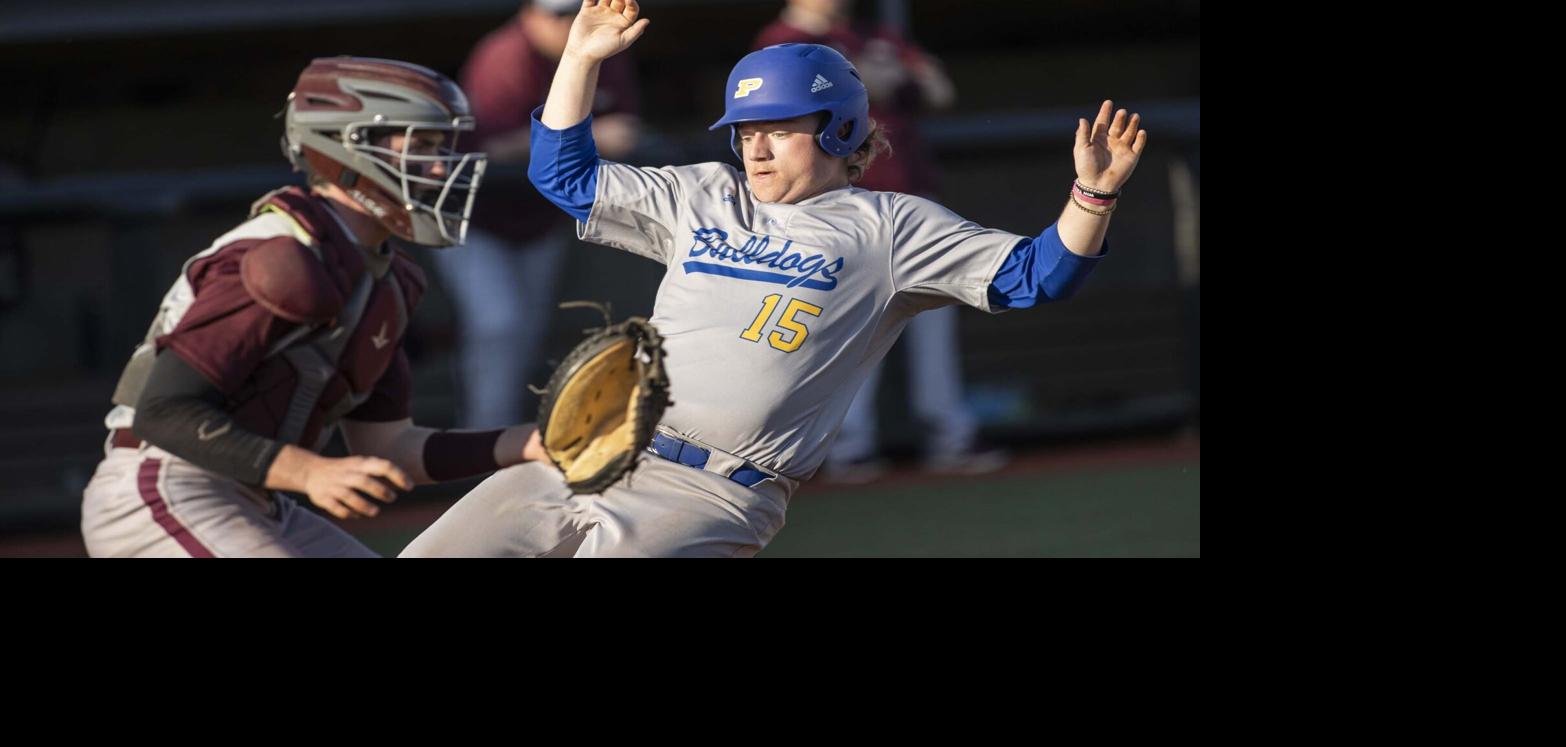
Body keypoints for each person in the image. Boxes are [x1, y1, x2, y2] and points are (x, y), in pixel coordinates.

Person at [400, 0, 1145, 558]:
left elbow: (1039, 277)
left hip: (714, 494)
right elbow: (559, 174)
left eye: (778, 129)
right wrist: (582, 57)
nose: (754, 148)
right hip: (593, 449)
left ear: (840, 131)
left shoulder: (889, 228)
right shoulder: (702, 192)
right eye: (746, 132)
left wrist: (1093, 196)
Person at [80, 57, 548, 558]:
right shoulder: (281, 256)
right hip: (164, 486)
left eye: (441, 148)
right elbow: (162, 411)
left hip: (255, 496)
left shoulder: (384, 279)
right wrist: (309, 471)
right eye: (422, 146)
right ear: (349, 147)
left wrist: (533, 442)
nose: (439, 166)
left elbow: (390, 448)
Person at [755, 0, 999, 480]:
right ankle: (846, 446)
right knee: (850, 327)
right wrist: (877, 80)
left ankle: (949, 435)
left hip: (910, 202)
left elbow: (938, 87)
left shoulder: (871, 35)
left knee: (937, 315)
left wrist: (883, 78)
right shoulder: (780, 40)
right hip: (844, 206)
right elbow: (869, 89)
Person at [430, 0, 644, 428]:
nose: (566, 23)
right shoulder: (506, 56)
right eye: (556, 14)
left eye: (572, 12)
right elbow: (495, 149)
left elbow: (629, 124)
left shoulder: (598, 46)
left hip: (537, 222)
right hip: (474, 218)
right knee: (499, 325)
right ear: (529, 14)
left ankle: (504, 440)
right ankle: (482, 442)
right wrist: (593, 135)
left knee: (524, 334)